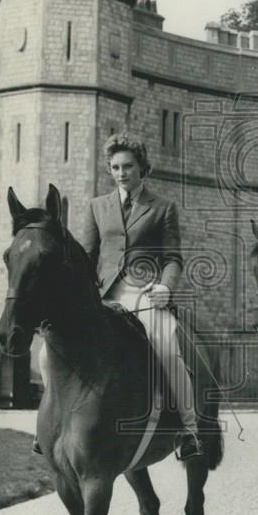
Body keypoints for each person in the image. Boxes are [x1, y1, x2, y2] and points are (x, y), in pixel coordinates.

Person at [58, 133, 202, 460]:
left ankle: (189, 428)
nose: (121, 173)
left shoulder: (163, 208)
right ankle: (53, 425)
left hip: (146, 294)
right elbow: (88, 256)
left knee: (167, 350)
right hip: (104, 296)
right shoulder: (97, 206)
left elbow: (173, 258)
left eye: (127, 166)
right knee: (50, 352)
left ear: (142, 168)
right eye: (115, 167)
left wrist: (165, 287)